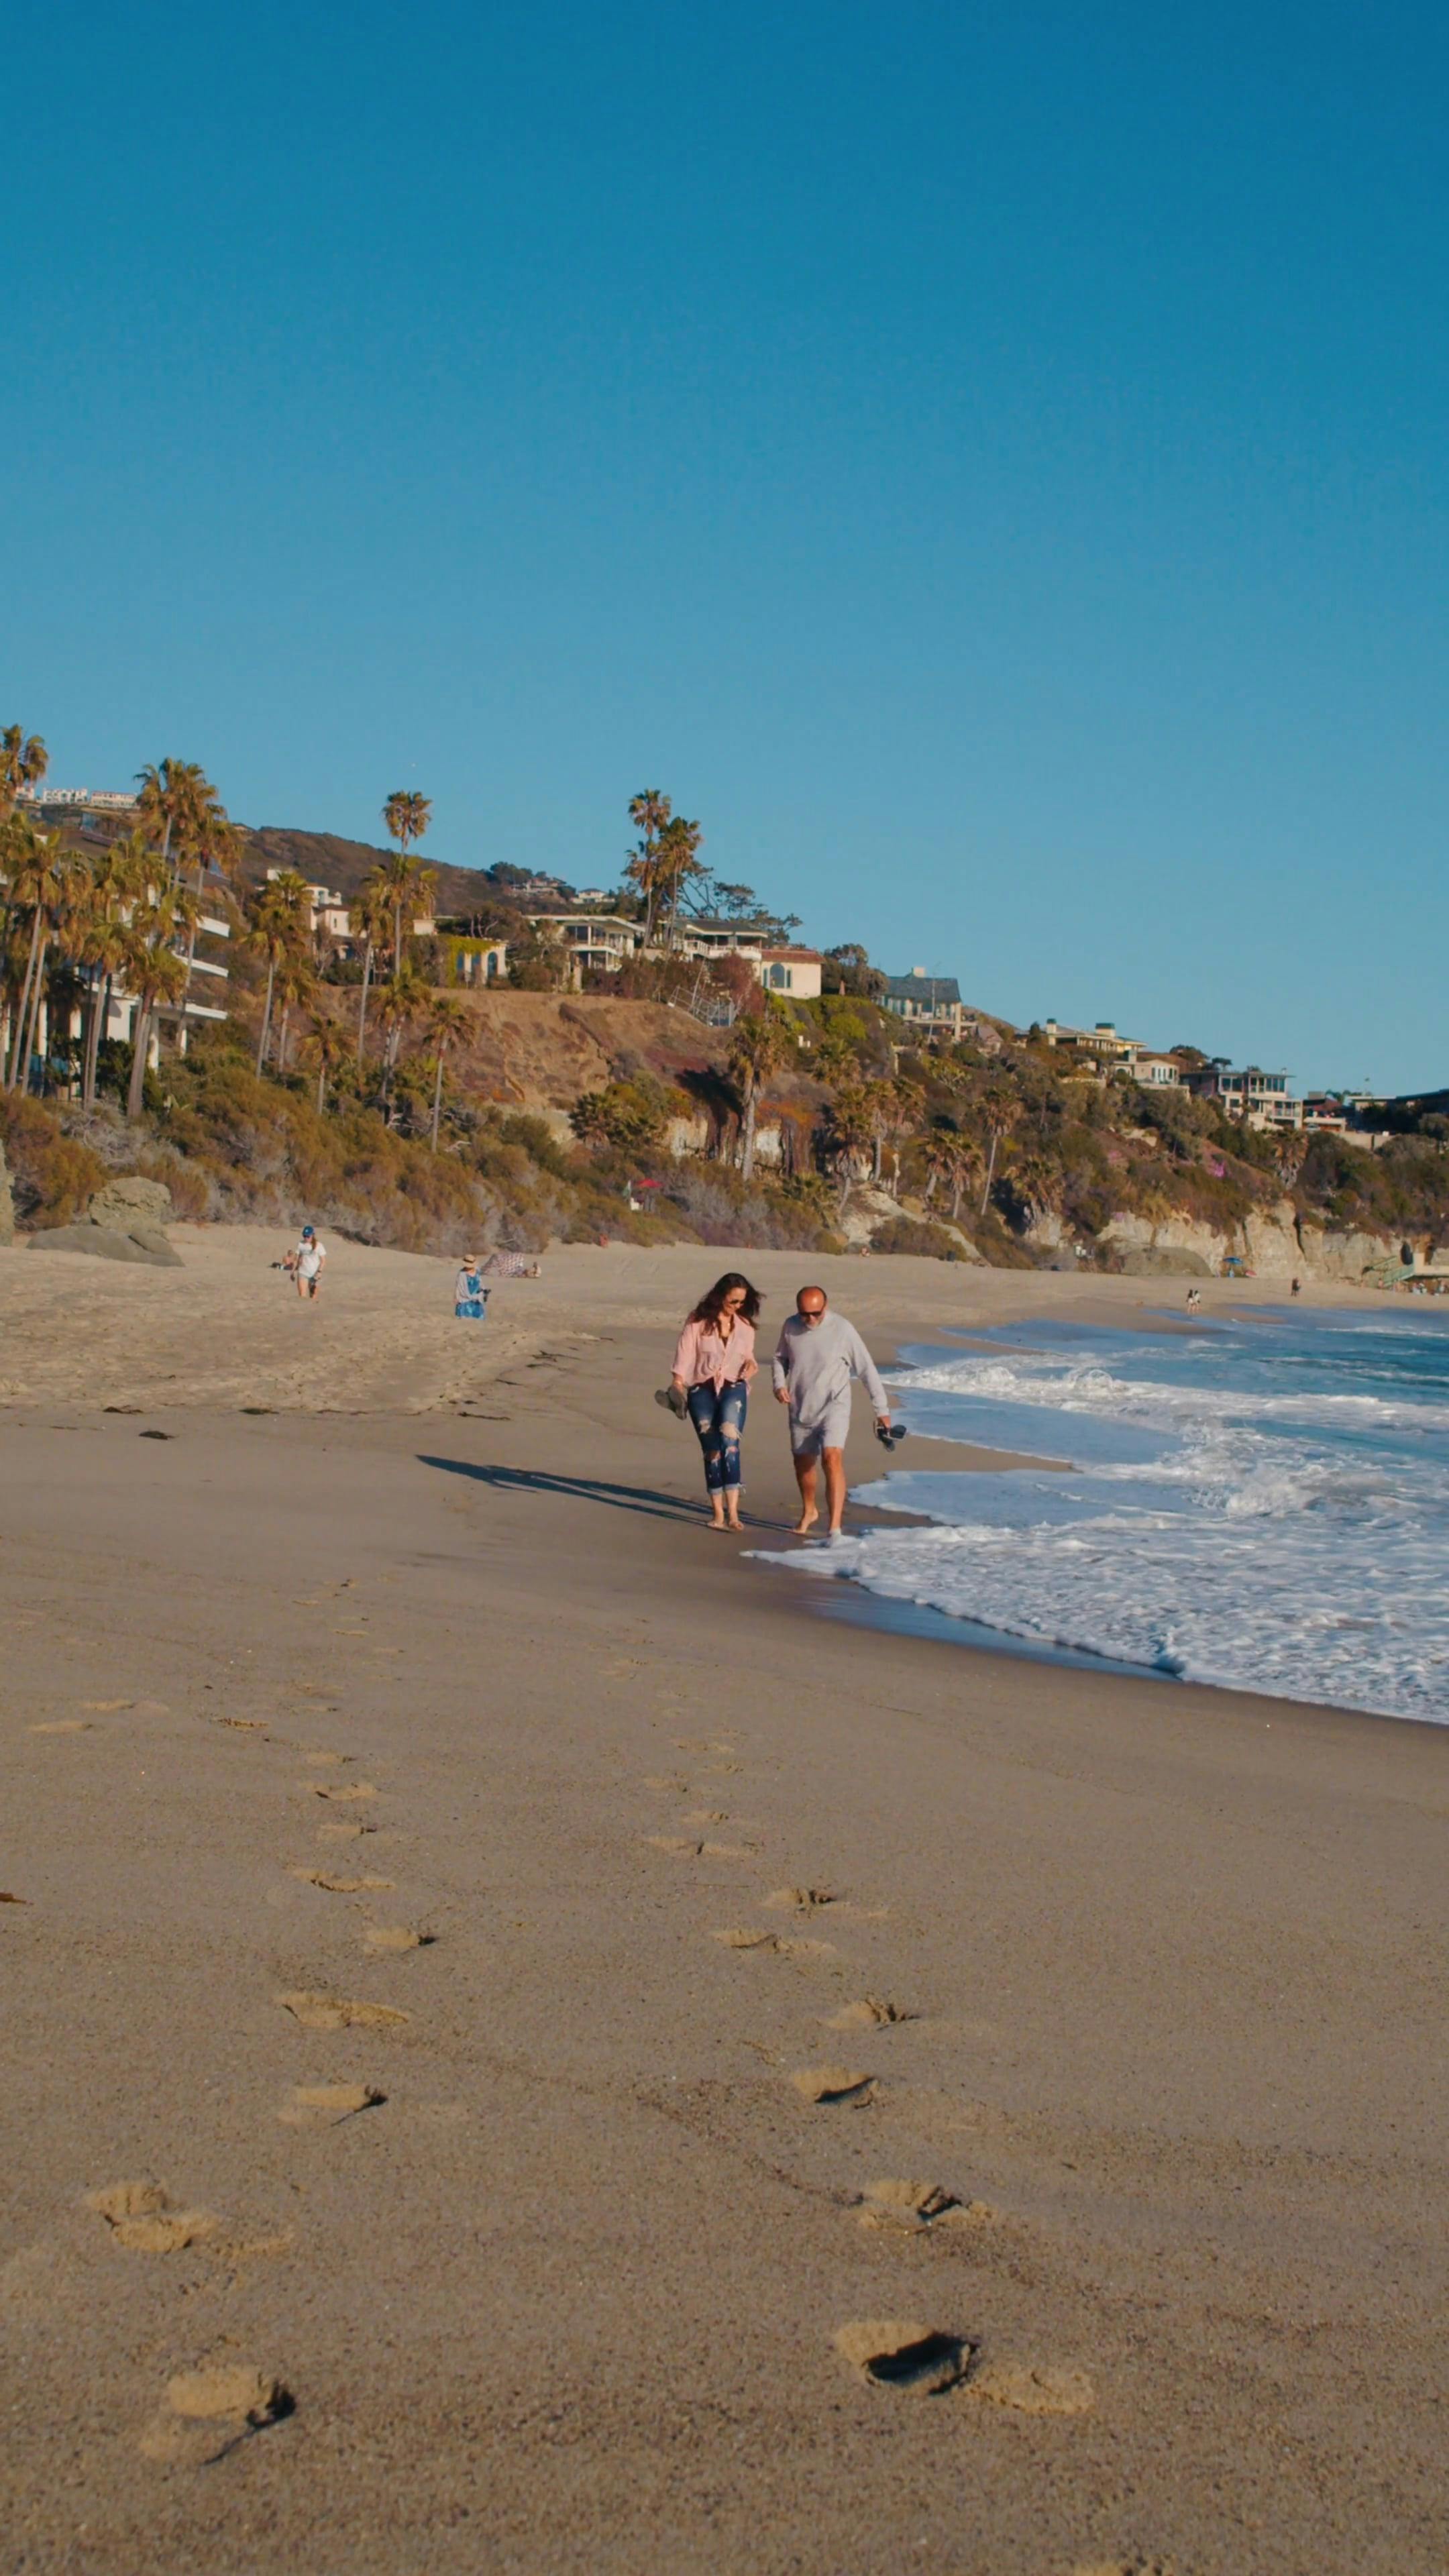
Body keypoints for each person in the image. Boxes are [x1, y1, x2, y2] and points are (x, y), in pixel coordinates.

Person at [771, 1285, 891, 1539]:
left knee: (832, 1457)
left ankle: (834, 1527)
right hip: (801, 1406)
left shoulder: (843, 1329)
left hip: (835, 1404)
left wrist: (882, 1409)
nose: (811, 1320)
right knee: (804, 1466)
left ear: (826, 1307)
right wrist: (779, 1384)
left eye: (817, 1314)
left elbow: (866, 1369)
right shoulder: (791, 1326)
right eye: (805, 1315)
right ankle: (810, 1511)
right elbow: (780, 1359)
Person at [667, 1273, 761, 1534]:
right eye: (733, 1301)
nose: (737, 1307)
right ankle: (717, 1513)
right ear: (721, 1297)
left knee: (730, 1443)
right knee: (712, 1449)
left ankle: (733, 1513)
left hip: (734, 1387)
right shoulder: (697, 1322)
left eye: (742, 1302)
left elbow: (748, 1356)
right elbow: (685, 1354)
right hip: (701, 1388)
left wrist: (751, 1366)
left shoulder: (745, 1327)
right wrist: (677, 1383)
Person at [292, 1225, 326, 1301]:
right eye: (304, 1236)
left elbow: (323, 1261)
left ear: (312, 1235)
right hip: (303, 1272)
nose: (306, 1238)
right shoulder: (301, 1244)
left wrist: (319, 1272)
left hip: (315, 1274)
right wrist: (293, 1272)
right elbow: (296, 1259)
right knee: (302, 1296)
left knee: (313, 1295)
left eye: (308, 1236)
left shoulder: (319, 1245)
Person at [453, 1256, 488, 1322]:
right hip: (465, 1300)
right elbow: (458, 1286)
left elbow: (480, 1282)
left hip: (477, 1300)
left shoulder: (477, 1271)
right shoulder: (462, 1274)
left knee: (479, 1321)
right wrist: (456, 1297)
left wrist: (484, 1291)